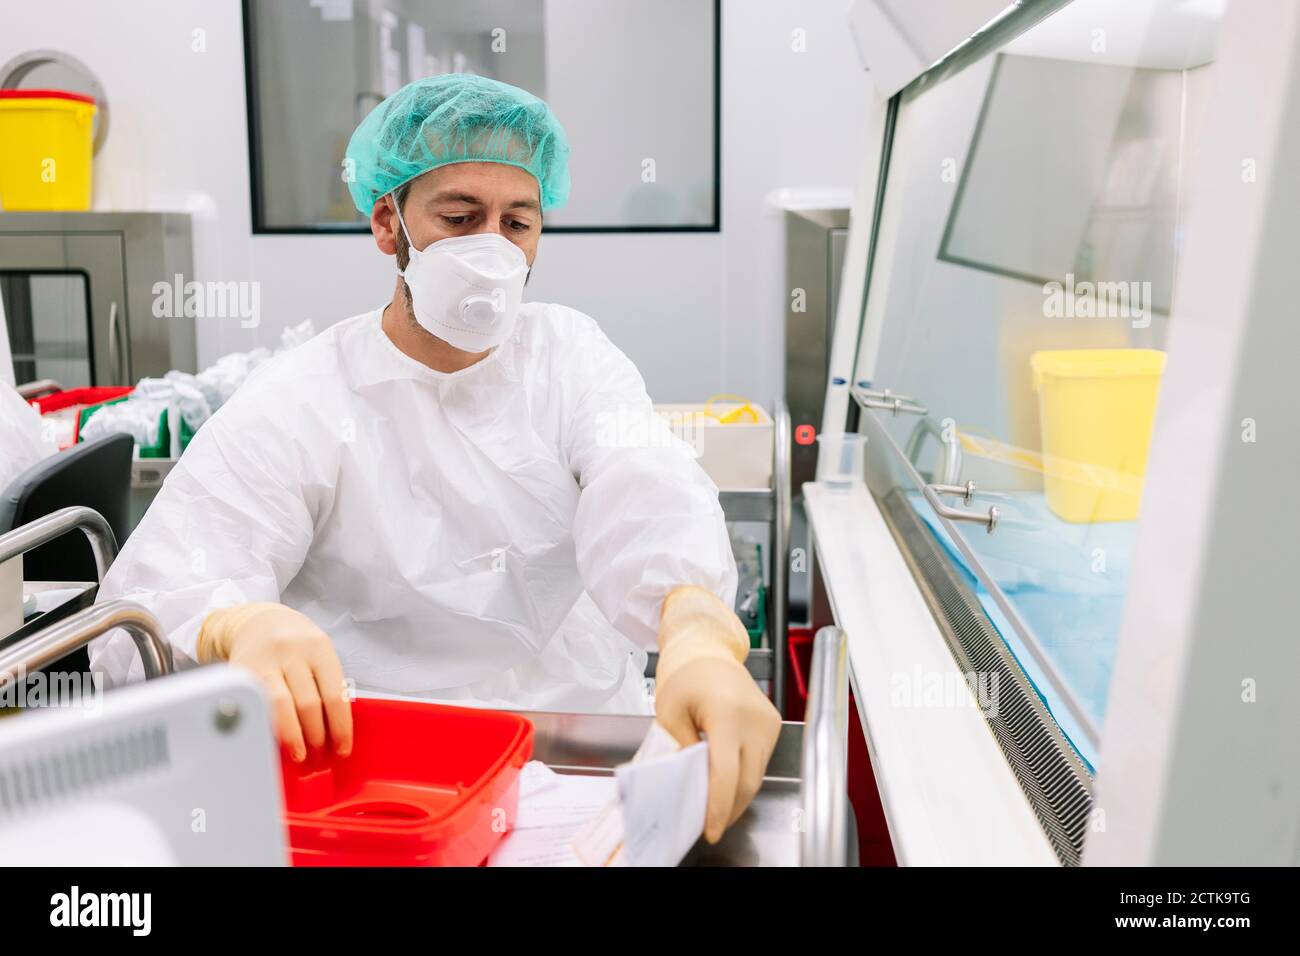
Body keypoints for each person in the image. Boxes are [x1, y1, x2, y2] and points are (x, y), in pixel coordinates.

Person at [90, 73, 780, 843]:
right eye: (460, 217)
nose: (492, 247)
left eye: (517, 222)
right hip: (381, 768)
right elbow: (150, 604)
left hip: (579, 743)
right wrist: (233, 626)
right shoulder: (309, 394)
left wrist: (694, 629)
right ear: (389, 223)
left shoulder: (569, 357)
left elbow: (645, 485)